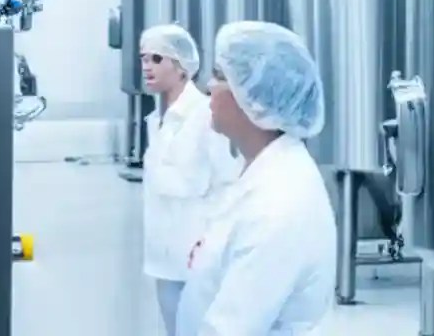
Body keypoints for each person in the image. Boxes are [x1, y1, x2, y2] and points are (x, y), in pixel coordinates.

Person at [175, 21, 337, 336]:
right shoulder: (259, 169)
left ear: (255, 98)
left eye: (221, 76)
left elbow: (229, 329)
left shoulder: (278, 204)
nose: (208, 85)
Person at [140, 24, 243, 336]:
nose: (146, 66)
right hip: (163, 256)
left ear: (182, 67)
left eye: (157, 58)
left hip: (196, 256)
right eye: (143, 58)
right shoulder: (157, 120)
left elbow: (229, 181)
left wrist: (217, 245)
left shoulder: (205, 115)